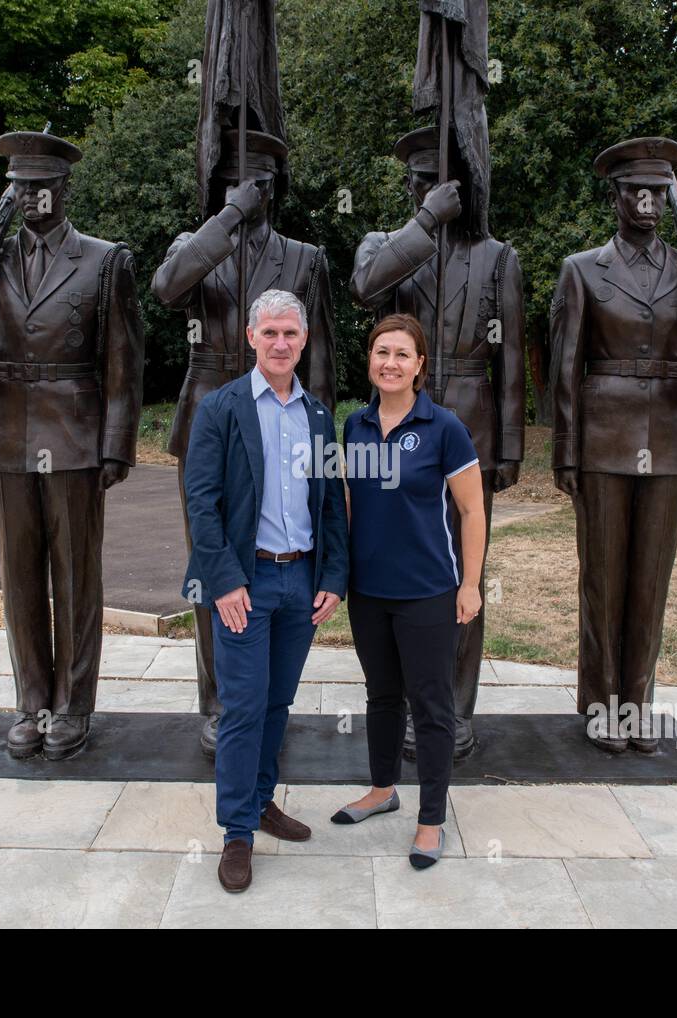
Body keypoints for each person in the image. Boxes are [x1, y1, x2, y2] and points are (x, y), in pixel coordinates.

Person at [0, 130, 144, 761]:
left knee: (77, 575)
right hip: (4, 432)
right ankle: (33, 702)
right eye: (19, 188)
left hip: (75, 431)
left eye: (40, 188)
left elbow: (123, 364)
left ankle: (75, 704)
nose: (29, 199)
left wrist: (116, 446)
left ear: (62, 189)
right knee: (19, 575)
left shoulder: (106, 261)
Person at [550, 137, 677, 752]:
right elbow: (564, 370)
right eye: (637, 190)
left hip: (669, 434)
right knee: (603, 580)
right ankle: (598, 702)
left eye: (658, 192)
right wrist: (566, 453)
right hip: (604, 436)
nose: (647, 201)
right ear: (616, 196)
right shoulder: (582, 269)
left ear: (668, 200)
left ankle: (638, 703)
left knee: (650, 582)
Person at [154, 129, 336, 757]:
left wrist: (325, 445)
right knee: (216, 567)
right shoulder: (196, 245)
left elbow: (323, 360)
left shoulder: (304, 257)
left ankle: (262, 706)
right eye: (239, 180)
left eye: (261, 180)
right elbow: (167, 287)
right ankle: (218, 702)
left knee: (274, 556)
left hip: (286, 418)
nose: (253, 189)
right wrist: (228, 216)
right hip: (212, 414)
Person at [350, 127, 523, 759]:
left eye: (443, 182)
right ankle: (396, 704)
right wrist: (427, 220)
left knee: (464, 571)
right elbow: (364, 289)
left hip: (470, 420)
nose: (433, 191)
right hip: (396, 428)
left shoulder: (497, 257)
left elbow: (510, 363)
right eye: (422, 183)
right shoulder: (388, 247)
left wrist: (509, 447)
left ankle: (453, 707)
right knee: (398, 571)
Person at [181, 288, 348, 892]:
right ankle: (236, 833)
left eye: (291, 334)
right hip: (243, 584)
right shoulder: (221, 408)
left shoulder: (318, 414)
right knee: (244, 707)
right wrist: (223, 580)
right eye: (270, 332)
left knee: (278, 704)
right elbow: (201, 503)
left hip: (300, 582)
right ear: (251, 337)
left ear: (304, 342)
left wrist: (333, 578)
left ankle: (260, 801)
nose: (281, 343)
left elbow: (330, 506)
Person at [331, 313, 486, 869]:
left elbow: (471, 510)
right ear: (369, 361)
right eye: (381, 352)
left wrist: (469, 584)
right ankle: (381, 790)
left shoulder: (443, 427)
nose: (390, 362)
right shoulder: (355, 425)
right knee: (381, 695)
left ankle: (430, 819)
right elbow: (352, 502)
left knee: (432, 704)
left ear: (420, 365)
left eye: (402, 354)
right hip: (369, 591)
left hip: (428, 593)